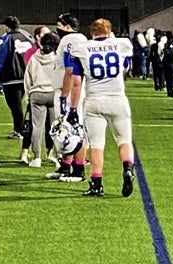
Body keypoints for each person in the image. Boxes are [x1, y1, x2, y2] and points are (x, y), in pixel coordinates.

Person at [67, 18, 135, 198]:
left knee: (97, 145)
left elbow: (76, 81)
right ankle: (128, 168)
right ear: (109, 31)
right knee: (124, 140)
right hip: (117, 99)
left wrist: (73, 109)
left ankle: (96, 183)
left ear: (92, 32)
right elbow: (126, 66)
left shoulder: (82, 48)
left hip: (94, 100)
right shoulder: (121, 44)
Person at [54, 13, 88, 183]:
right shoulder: (78, 39)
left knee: (75, 129)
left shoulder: (70, 40)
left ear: (67, 26)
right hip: (71, 91)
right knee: (65, 131)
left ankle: (79, 169)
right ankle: (66, 166)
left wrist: (64, 98)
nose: (57, 28)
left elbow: (71, 73)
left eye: (59, 25)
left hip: (69, 93)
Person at [24, 31, 61, 168]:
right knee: (56, 127)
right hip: (53, 93)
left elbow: (27, 78)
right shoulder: (57, 58)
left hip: (37, 93)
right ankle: (59, 158)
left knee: (37, 127)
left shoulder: (34, 58)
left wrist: (28, 95)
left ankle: (37, 158)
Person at [159, 31, 173, 97]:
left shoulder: (165, 50)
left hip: (167, 66)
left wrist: (162, 63)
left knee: (168, 79)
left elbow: (162, 58)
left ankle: (169, 91)